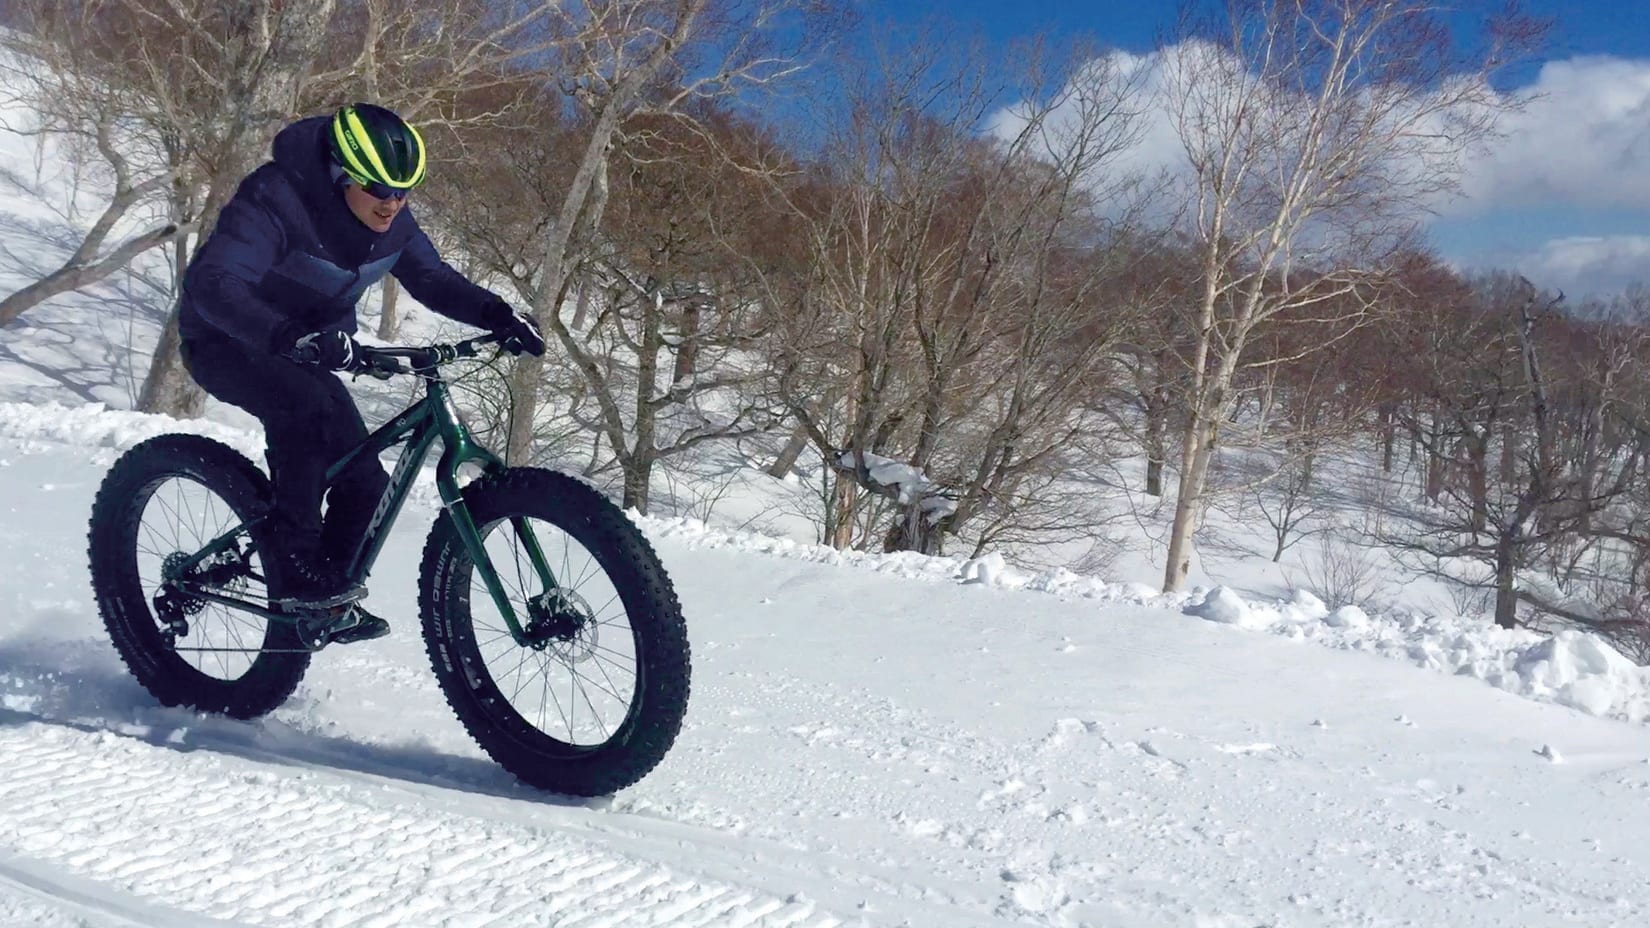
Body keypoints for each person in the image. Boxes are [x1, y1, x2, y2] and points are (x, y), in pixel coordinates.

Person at [177, 102, 545, 644]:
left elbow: (431, 278)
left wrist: (497, 314)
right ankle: (297, 568)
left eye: (405, 191)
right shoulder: (275, 197)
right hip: (227, 338)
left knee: (365, 479)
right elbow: (215, 284)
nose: (393, 203)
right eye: (378, 189)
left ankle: (325, 597)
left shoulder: (390, 220)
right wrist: (289, 336)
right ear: (341, 172)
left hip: (309, 350)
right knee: (300, 411)